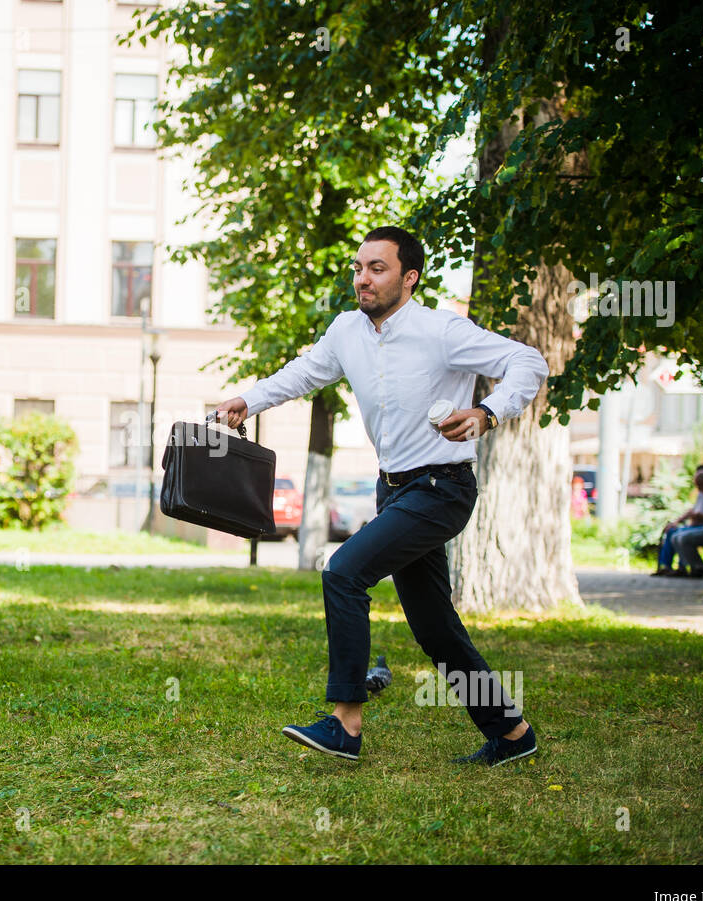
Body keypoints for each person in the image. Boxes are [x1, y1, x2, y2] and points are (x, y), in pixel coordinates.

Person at [213, 226, 550, 766]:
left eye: (377, 268)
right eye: (358, 268)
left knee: (344, 571)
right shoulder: (347, 330)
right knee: (434, 626)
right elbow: (305, 372)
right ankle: (512, 733)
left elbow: (529, 362)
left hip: (443, 488)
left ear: (409, 277)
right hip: (392, 490)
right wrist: (247, 402)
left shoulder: (443, 330)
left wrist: (488, 413)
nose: (363, 278)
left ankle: (346, 723)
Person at [652, 465, 703, 579]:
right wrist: (679, 521)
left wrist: (702, 516)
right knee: (676, 535)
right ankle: (690, 567)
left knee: (682, 538)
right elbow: (694, 510)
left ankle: (699, 568)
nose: (699, 490)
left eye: (700, 487)